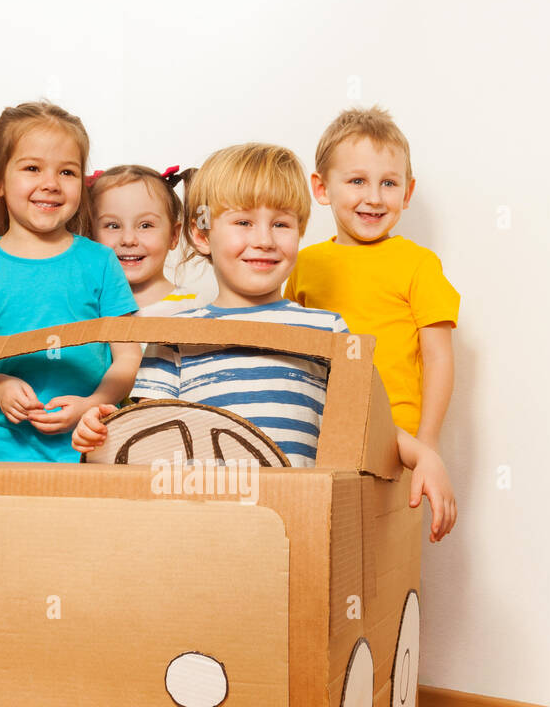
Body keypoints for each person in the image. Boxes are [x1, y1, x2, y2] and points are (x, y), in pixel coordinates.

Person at [73, 142, 434, 501]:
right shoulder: (176, 336)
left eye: (280, 223)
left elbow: (367, 426)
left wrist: (425, 457)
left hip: (295, 521)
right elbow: (145, 433)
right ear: (201, 235)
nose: (263, 240)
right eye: (243, 222)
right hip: (200, 524)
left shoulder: (328, 331)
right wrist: (100, 428)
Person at [285, 105, 459, 540]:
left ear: (407, 191)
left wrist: (427, 444)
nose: (375, 197)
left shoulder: (418, 264)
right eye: (357, 180)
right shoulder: (305, 264)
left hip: (392, 440)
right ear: (322, 188)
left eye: (389, 183)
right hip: (318, 430)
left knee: (380, 555)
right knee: (317, 542)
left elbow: (438, 359)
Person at [0, 102, 139, 462]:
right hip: (12, 447)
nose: (50, 184)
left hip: (97, 440)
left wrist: (91, 405)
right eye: (32, 168)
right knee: (21, 520)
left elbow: (127, 357)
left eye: (67, 172)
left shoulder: (100, 261)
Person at [87, 164, 199, 316]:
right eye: (113, 226)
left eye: (145, 225)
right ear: (89, 234)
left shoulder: (194, 308)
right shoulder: (83, 306)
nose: (128, 239)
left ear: (173, 235)